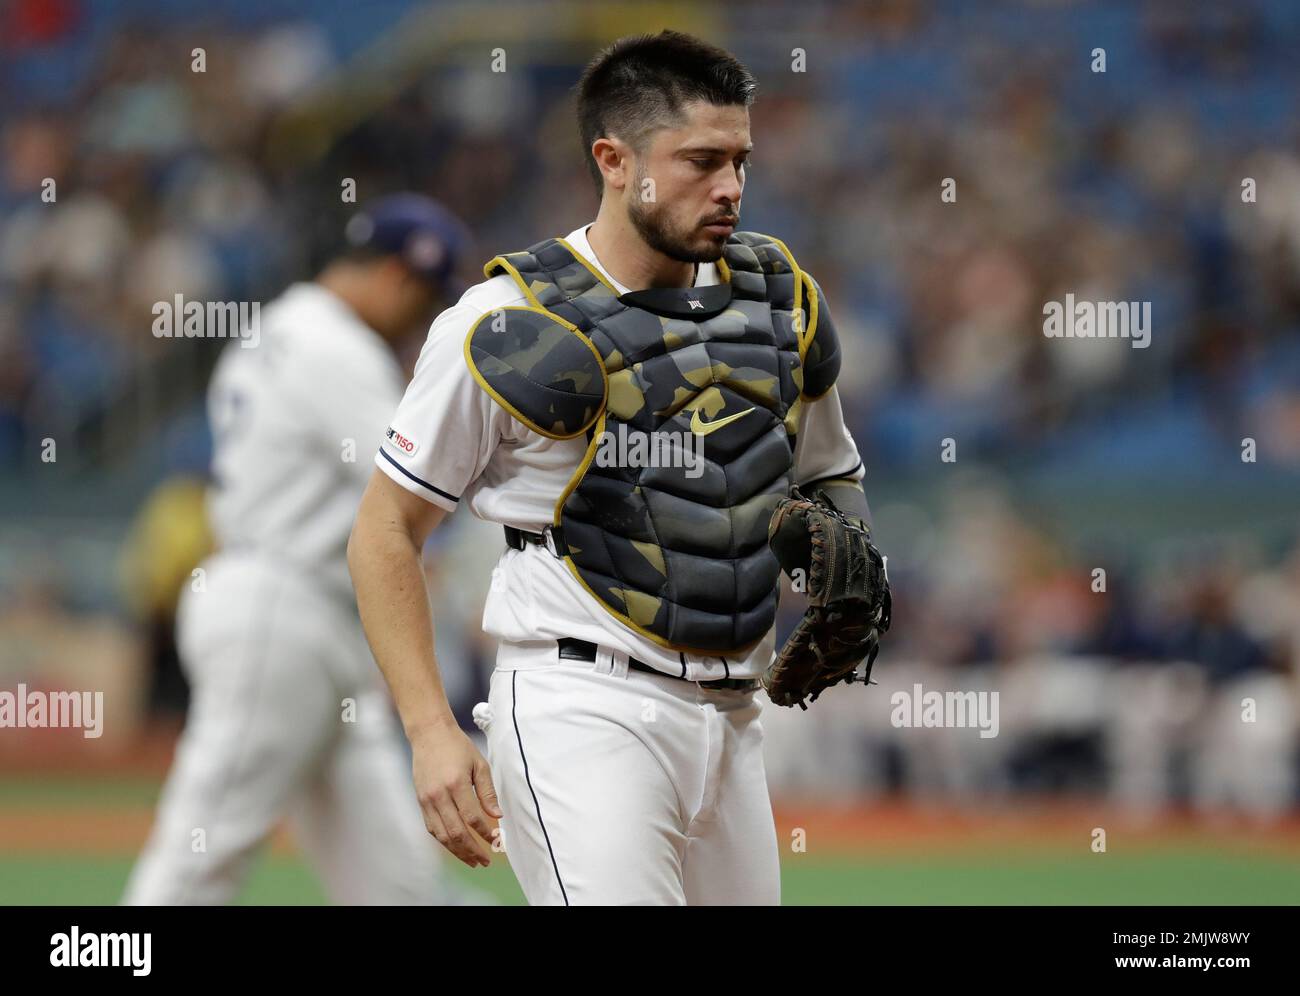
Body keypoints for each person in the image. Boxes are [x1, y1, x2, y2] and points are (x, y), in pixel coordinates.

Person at [349, 31, 876, 905]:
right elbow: (383, 531)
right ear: (615, 159)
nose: (732, 186)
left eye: (741, 159)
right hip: (580, 706)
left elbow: (829, 477)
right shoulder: (507, 321)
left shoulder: (780, 304)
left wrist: (849, 555)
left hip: (737, 720)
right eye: (702, 160)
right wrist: (430, 729)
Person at [125, 194, 479, 905]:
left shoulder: (277, 327)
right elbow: (418, 485)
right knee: (204, 844)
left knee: (396, 878)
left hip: (304, 616)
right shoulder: (335, 346)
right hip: (280, 608)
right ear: (393, 277)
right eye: (423, 301)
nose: (419, 322)